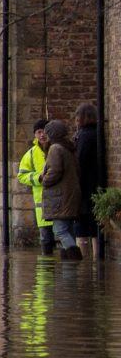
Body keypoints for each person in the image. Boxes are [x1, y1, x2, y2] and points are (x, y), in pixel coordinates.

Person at [41, 118, 85, 259]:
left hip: (61, 197)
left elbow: (54, 171)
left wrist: (44, 180)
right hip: (70, 194)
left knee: (59, 230)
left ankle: (74, 256)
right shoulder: (68, 147)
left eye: (46, 133)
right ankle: (70, 267)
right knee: (68, 229)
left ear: (52, 134)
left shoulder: (55, 148)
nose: (44, 136)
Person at [17, 118, 55, 252]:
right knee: (46, 240)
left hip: (59, 202)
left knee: (63, 237)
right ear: (35, 135)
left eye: (44, 131)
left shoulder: (57, 149)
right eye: (39, 132)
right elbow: (22, 175)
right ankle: (46, 270)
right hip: (42, 205)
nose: (42, 135)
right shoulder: (31, 154)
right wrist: (37, 178)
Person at [75, 101, 104, 256]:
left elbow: (80, 163)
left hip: (86, 187)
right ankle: (96, 263)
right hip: (98, 185)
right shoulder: (98, 133)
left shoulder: (84, 136)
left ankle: (84, 266)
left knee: (82, 228)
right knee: (95, 227)